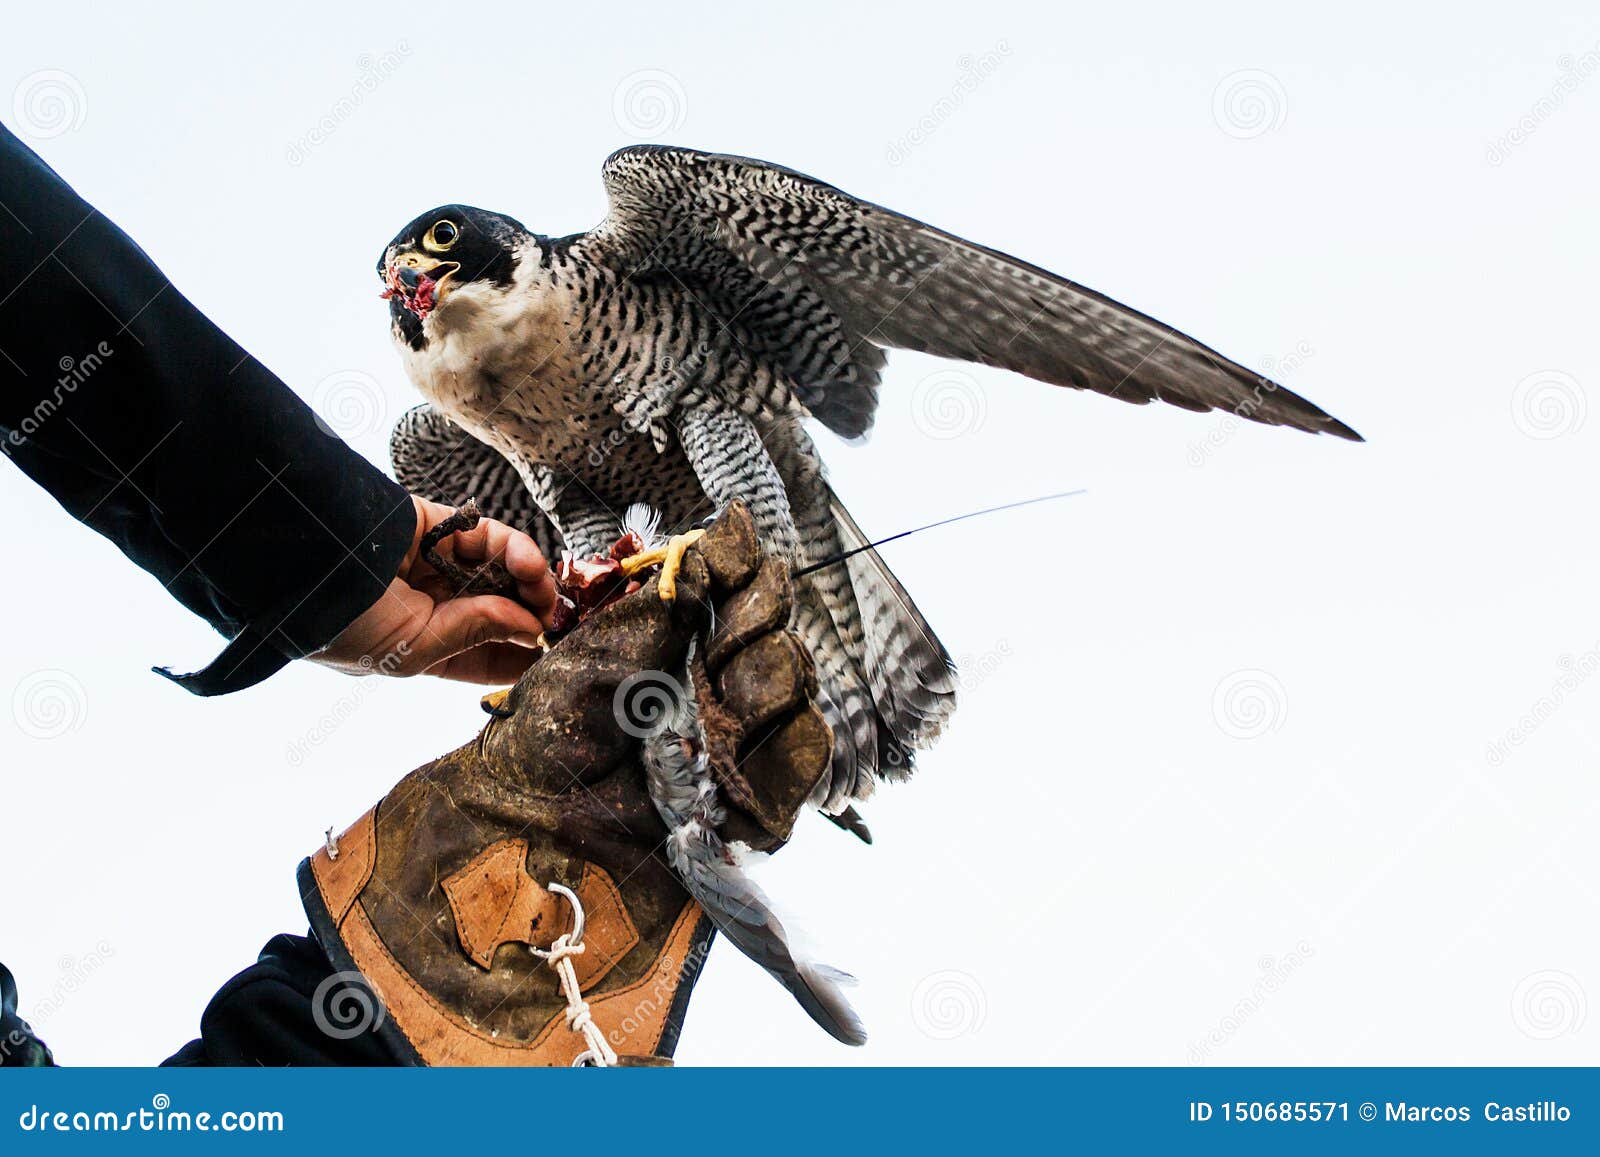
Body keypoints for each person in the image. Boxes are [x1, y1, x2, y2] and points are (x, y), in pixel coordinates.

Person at [0, 124, 831, 1066]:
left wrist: (329, 551)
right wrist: (418, 1007)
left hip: (743, 476)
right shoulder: (451, 409)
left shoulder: (615, 255)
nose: (417, 277)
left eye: (432, 252)